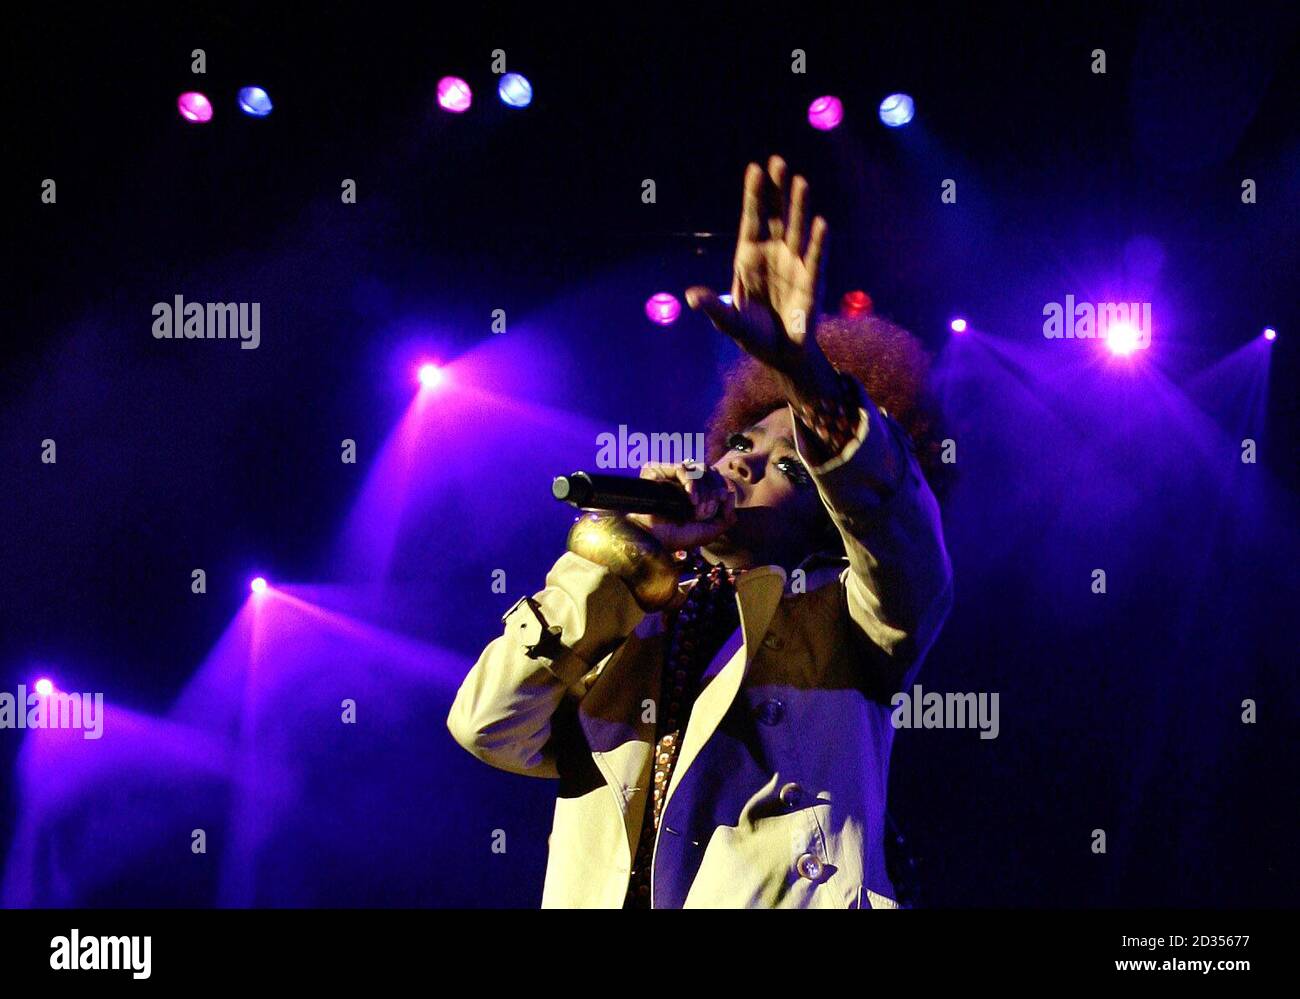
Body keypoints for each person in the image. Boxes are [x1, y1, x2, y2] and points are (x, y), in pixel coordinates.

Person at [447, 155, 953, 908]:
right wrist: (618, 561)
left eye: (790, 461)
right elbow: (490, 723)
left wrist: (810, 378)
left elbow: (896, 529)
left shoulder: (854, 623)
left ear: (826, 507)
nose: (744, 462)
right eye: (743, 442)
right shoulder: (639, 620)